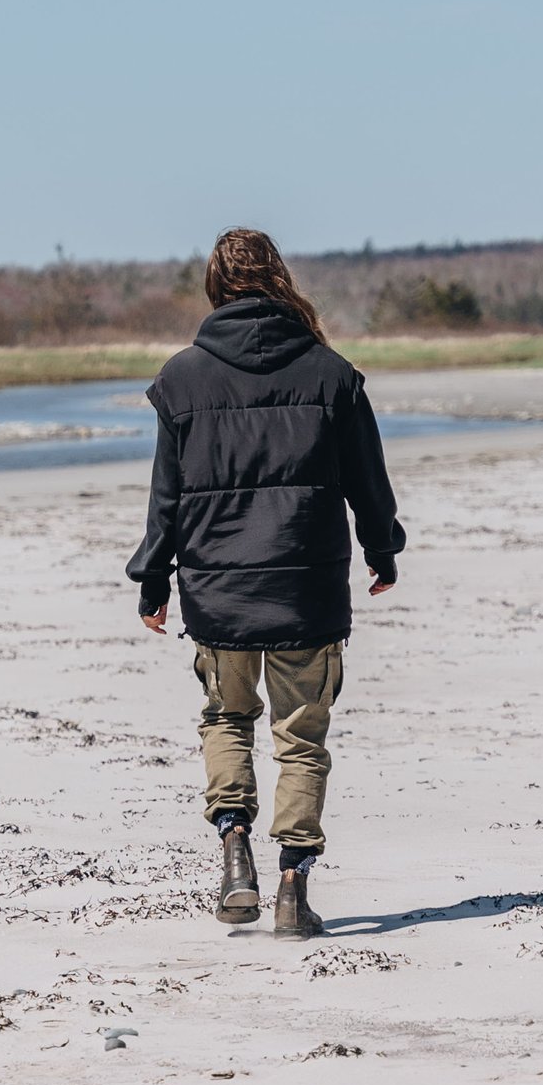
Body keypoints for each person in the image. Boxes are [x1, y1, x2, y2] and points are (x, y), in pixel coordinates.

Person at [127, 227, 404, 936]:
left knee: (226, 719)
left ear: (215, 287)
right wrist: (382, 549)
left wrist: (153, 581)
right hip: (306, 590)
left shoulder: (183, 377)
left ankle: (233, 848)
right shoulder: (331, 373)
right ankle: (292, 887)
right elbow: (368, 484)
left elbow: (167, 498)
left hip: (218, 593)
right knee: (301, 740)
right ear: (280, 280)